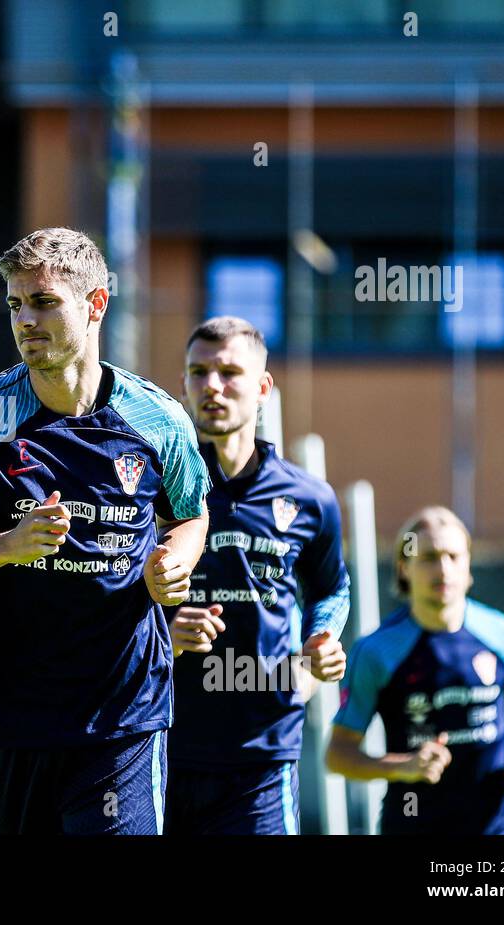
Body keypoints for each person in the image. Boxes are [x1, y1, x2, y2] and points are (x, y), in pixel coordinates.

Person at [0, 227, 209, 834]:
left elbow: (191, 514)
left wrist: (177, 558)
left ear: (95, 305)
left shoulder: (160, 419)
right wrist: (5, 547)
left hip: (127, 720)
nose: (25, 322)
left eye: (43, 302)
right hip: (14, 722)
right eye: (16, 304)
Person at [165, 316, 351, 835]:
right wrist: (164, 630)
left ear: (263, 387)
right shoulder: (153, 490)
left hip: (263, 757)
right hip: (161, 747)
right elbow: (113, 594)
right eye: (198, 373)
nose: (212, 387)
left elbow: (333, 588)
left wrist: (322, 638)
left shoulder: (310, 499)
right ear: (183, 385)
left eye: (229, 372)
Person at [326, 506, 504, 834]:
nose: (443, 569)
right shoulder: (375, 652)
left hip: (496, 828)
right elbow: (338, 754)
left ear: (469, 566)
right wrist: (405, 766)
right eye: (430, 557)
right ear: (405, 568)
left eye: (454, 556)